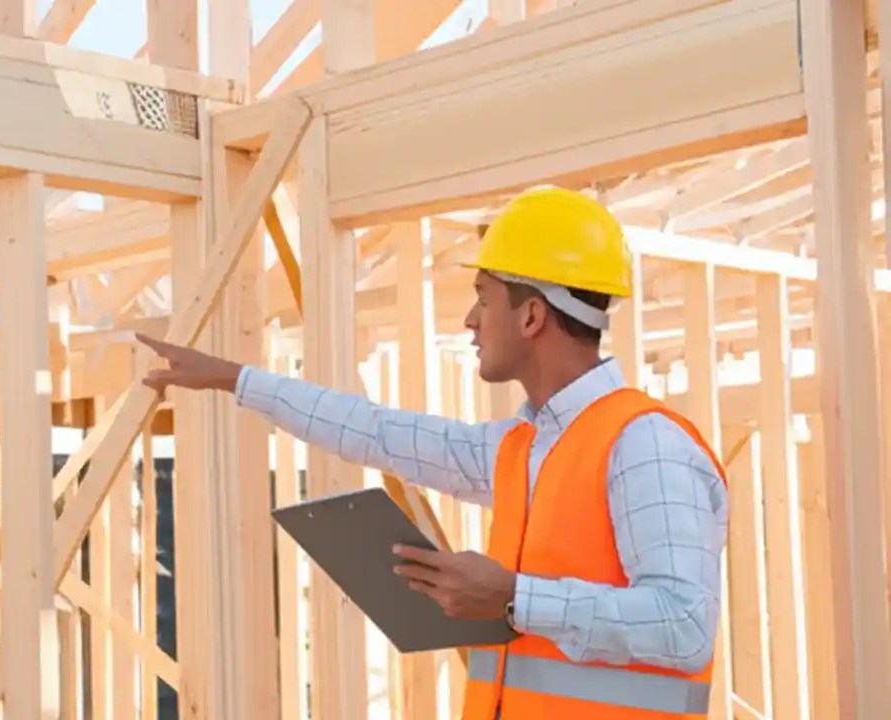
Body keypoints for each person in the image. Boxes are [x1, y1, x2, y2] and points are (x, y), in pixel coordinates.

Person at [135, 186, 728, 719]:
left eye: (482, 298)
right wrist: (237, 380)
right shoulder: (526, 447)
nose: (470, 320)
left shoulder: (644, 443)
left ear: (531, 316)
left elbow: (684, 624)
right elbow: (378, 431)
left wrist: (514, 597)